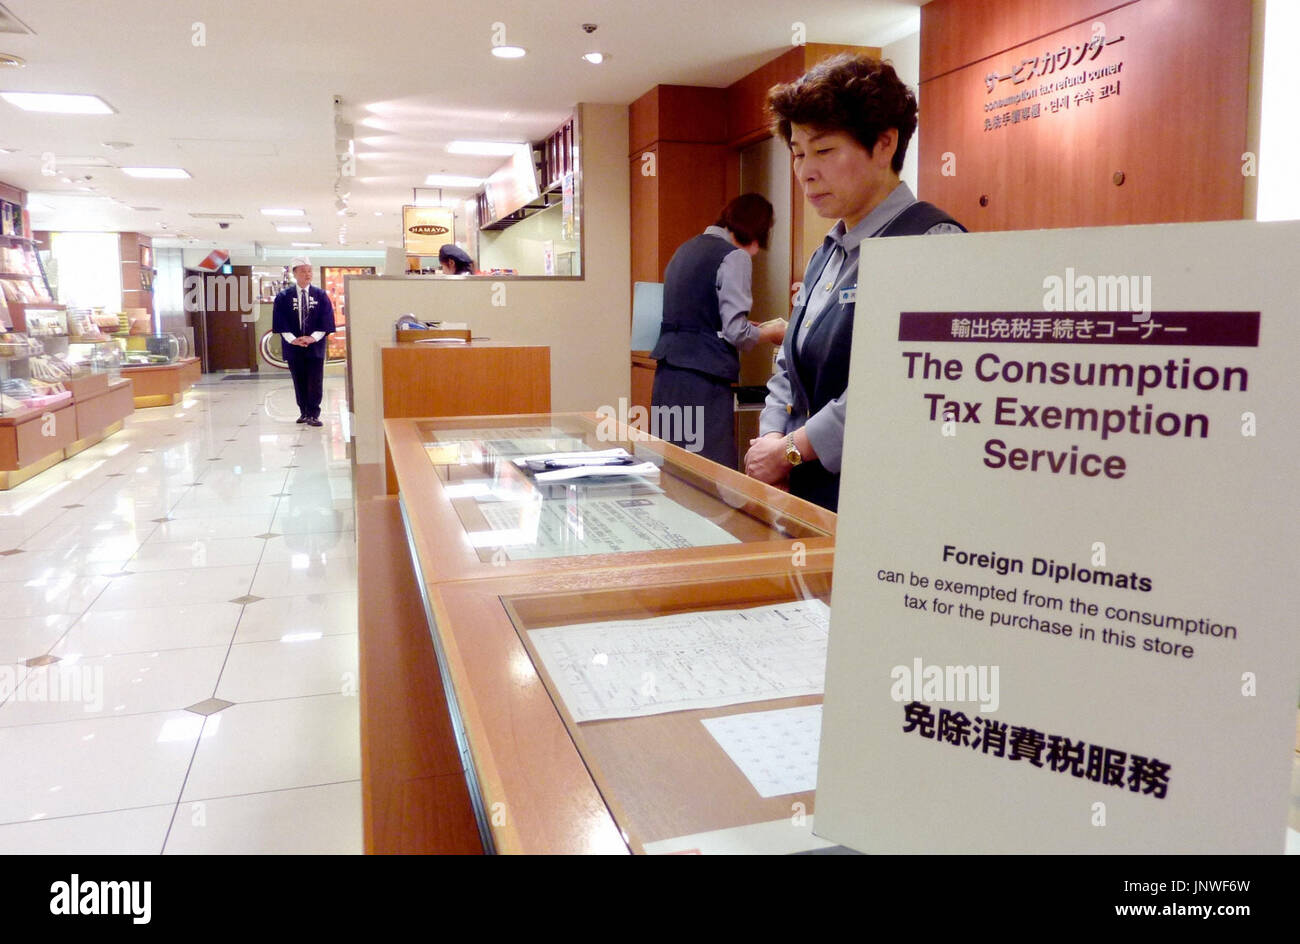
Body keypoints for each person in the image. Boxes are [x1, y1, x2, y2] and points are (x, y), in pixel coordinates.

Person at [743, 54, 966, 511]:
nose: (806, 171)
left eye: (823, 151)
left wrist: (787, 453)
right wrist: (769, 439)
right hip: (810, 497)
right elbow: (788, 365)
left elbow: (895, 389)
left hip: (884, 503)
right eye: (798, 153)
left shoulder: (930, 240)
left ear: (884, 144)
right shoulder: (828, 251)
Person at [650, 193, 786, 468]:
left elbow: (700, 316)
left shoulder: (685, 249)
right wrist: (773, 333)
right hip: (702, 380)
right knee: (709, 474)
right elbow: (736, 332)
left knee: (673, 467)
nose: (758, 249)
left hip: (668, 375)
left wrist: (748, 327)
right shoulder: (734, 257)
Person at [272, 256, 335, 427]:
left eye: (309, 271)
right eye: (303, 271)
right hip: (293, 347)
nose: (307, 274)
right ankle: (303, 412)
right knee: (298, 380)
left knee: (315, 380)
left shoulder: (321, 295)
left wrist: (312, 337)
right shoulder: (283, 297)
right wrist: (293, 340)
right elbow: (280, 321)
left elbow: (327, 319)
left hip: (315, 346)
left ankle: (314, 414)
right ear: (294, 274)